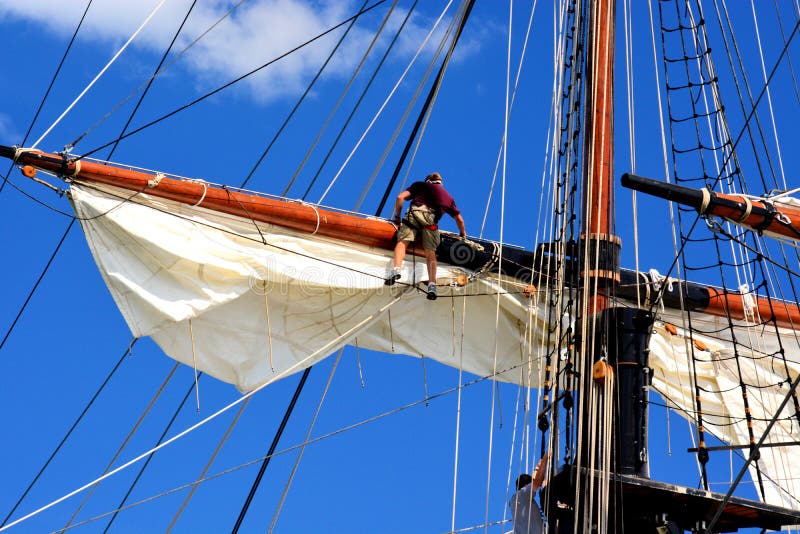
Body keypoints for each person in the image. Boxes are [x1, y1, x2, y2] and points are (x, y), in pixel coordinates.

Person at [385, 172, 466, 300]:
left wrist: (397, 217)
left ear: (427, 181)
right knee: (430, 252)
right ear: (441, 184)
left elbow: (400, 197)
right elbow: (459, 220)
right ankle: (432, 285)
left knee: (403, 242)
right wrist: (462, 233)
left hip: (415, 214)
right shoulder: (448, 198)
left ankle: (396, 270)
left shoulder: (421, 185)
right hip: (431, 222)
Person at [509, 454, 549, 534]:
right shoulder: (521, 495)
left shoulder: (519, 500)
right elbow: (537, 482)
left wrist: (538, 468)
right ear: (526, 485)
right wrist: (546, 457)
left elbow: (536, 480)